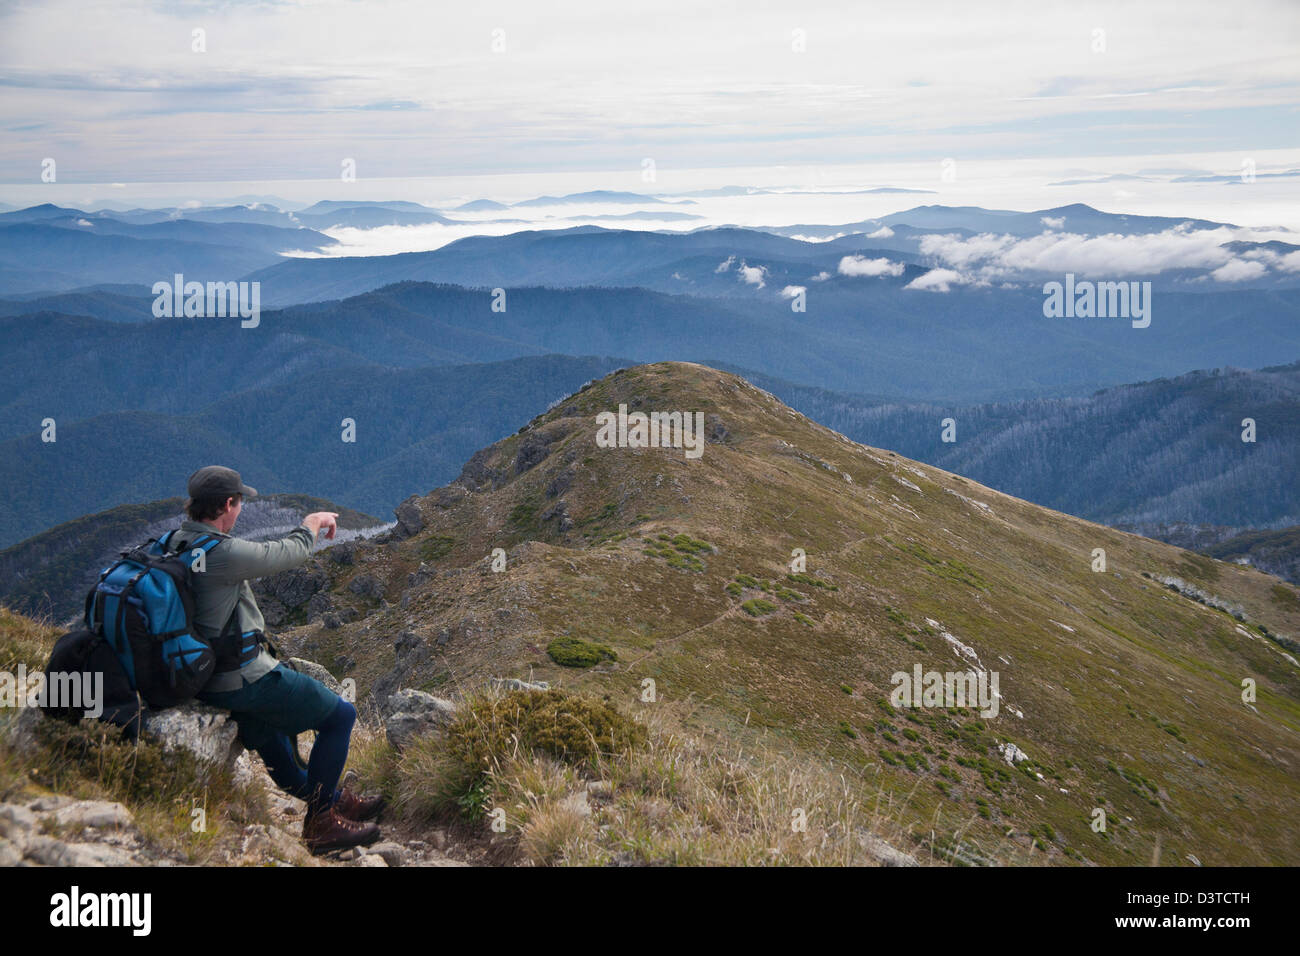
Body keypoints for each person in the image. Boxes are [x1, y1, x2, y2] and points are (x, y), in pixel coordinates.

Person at [170, 465, 383, 854]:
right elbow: (284, 554)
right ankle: (322, 824)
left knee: (278, 753)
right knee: (340, 716)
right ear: (228, 505)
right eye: (239, 503)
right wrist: (312, 523)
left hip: (201, 677)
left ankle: (334, 801)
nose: (240, 511)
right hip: (241, 678)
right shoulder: (223, 552)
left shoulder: (173, 543)